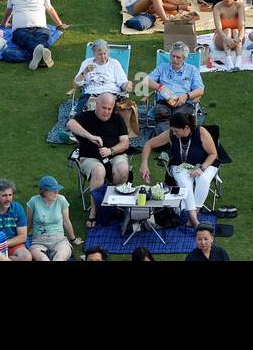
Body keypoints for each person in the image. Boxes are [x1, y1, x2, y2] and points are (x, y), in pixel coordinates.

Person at [139, 110, 219, 227]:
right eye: (172, 130)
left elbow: (213, 154)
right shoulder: (171, 134)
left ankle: (193, 217)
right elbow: (148, 144)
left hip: (206, 163)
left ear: (186, 127)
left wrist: (202, 168)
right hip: (181, 165)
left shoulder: (200, 132)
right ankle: (195, 221)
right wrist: (144, 163)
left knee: (203, 180)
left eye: (176, 130)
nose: (174, 133)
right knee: (184, 182)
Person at [66, 93, 132, 229]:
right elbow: (70, 123)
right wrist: (90, 136)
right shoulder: (87, 117)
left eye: (110, 108)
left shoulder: (117, 118)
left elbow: (125, 143)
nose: (107, 112)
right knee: (99, 170)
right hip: (90, 157)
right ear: (96, 105)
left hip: (113, 155)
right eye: (104, 108)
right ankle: (94, 212)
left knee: (123, 169)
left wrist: (111, 150)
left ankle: (114, 205)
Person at [26, 175, 80, 261]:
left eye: (57, 189)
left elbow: (66, 221)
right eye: (53, 190)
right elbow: (28, 223)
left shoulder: (61, 200)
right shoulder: (33, 202)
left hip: (59, 241)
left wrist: (73, 239)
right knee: (44, 260)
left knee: (59, 258)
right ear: (44, 191)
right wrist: (22, 239)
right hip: (38, 242)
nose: (56, 192)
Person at [0, 180, 32, 262]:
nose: (8, 199)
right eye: (4, 195)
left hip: (13, 243)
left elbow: (22, 237)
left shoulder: (17, 208)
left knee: (26, 257)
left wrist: (5, 244)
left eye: (10, 195)